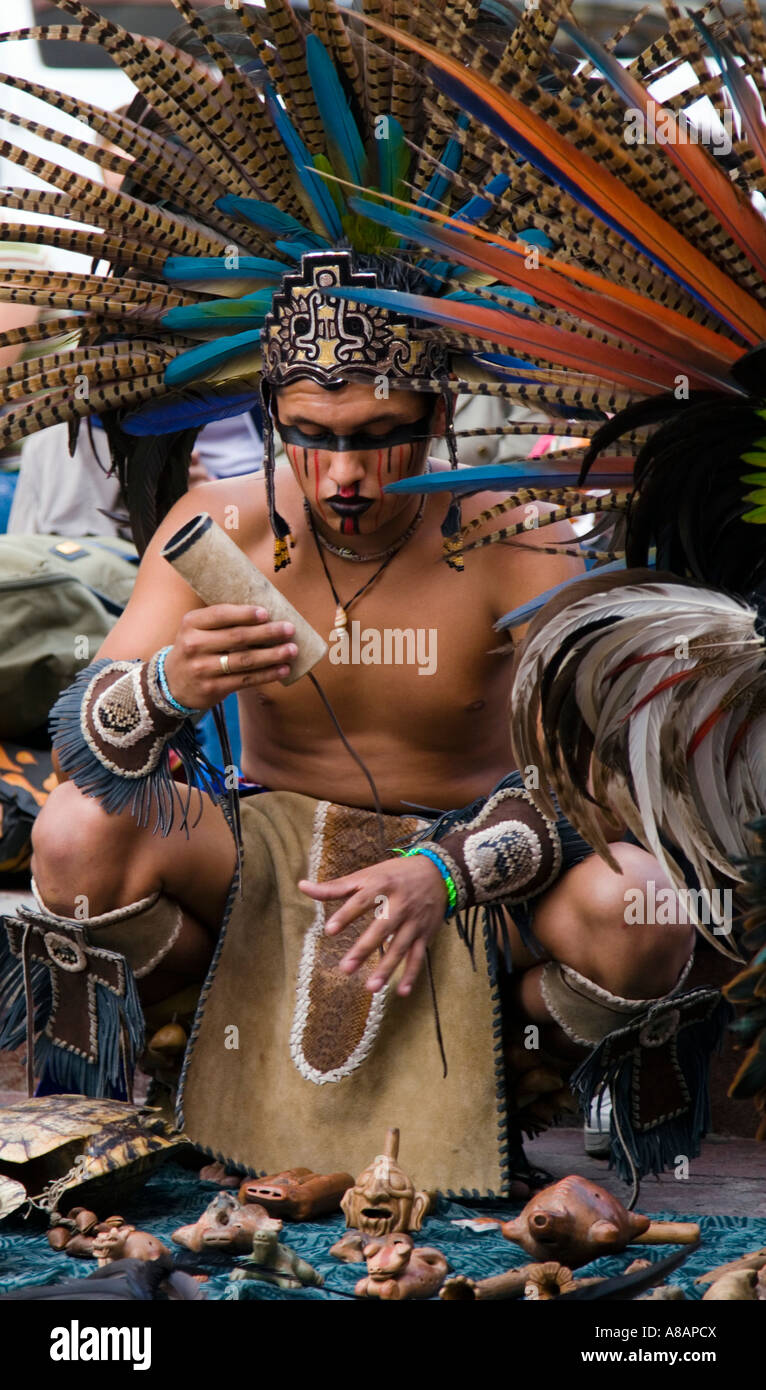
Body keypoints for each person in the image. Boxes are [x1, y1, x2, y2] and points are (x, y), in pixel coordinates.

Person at [0, 1, 725, 1191]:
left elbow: (601, 783)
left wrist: (443, 871)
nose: (345, 474)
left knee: (647, 900)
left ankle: (554, 1074)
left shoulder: (511, 538)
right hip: (263, 858)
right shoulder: (221, 528)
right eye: (315, 437)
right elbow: (87, 738)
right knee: (76, 836)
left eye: (382, 436)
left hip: (479, 872)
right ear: (272, 419)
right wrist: (169, 685)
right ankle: (95, 1123)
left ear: (436, 421)